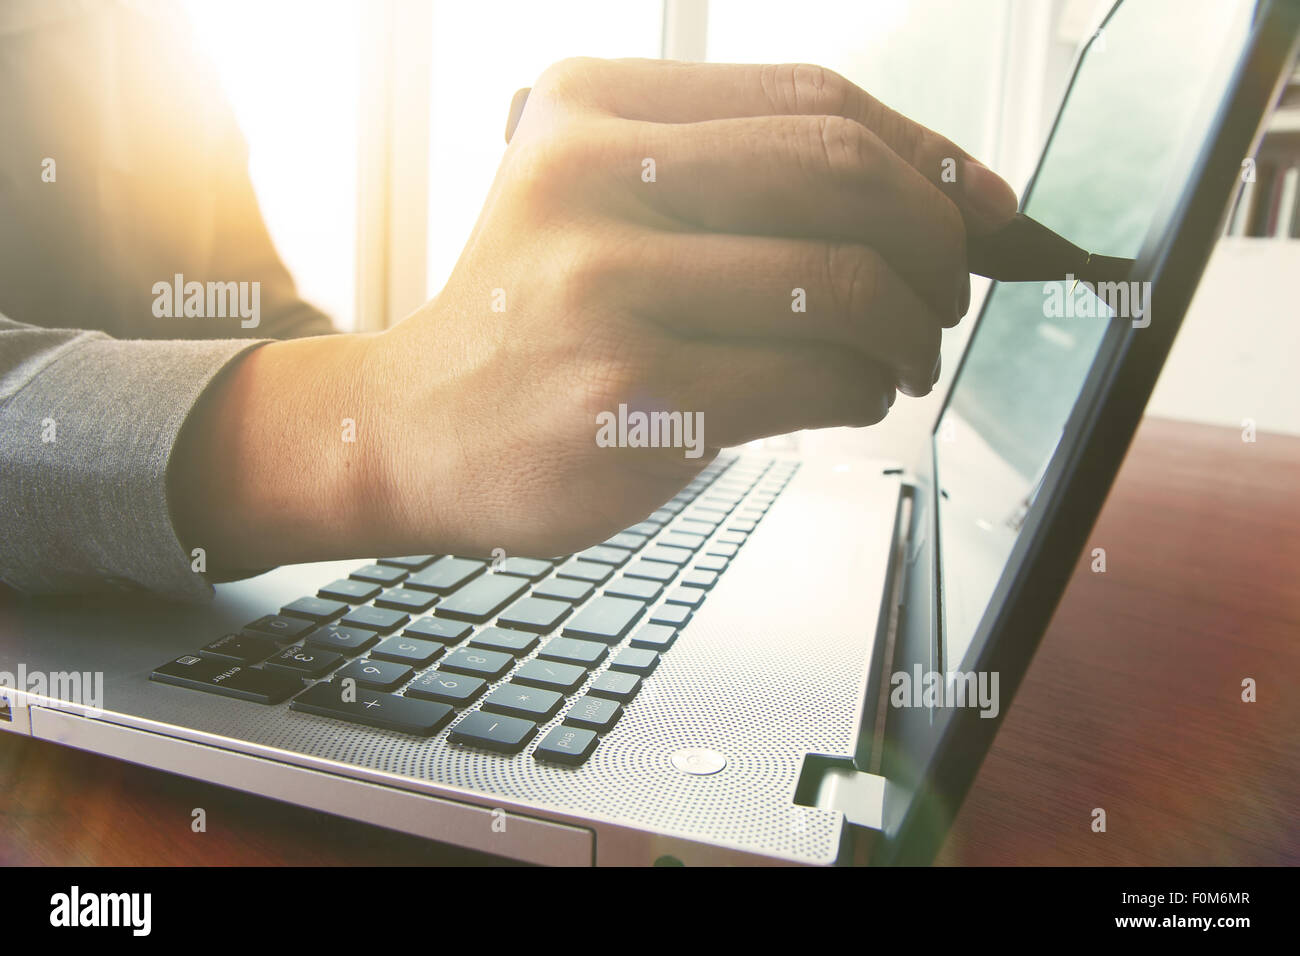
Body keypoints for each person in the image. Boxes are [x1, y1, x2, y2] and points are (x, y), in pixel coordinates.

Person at [0, 1, 1018, 601]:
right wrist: (388, 429)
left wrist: (469, 360)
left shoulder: (148, 42)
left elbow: (265, 313)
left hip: (201, 610)